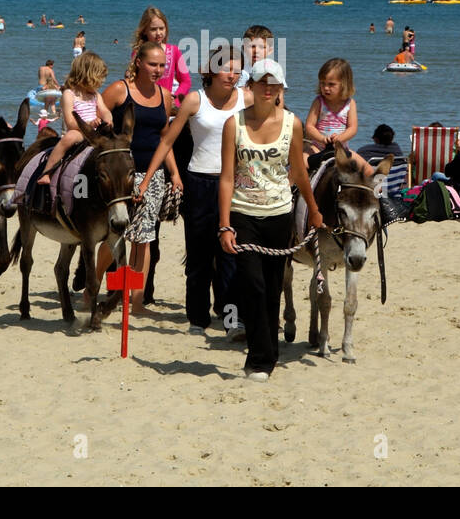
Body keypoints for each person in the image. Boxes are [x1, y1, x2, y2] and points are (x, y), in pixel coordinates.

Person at [219, 60, 323, 381]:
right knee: (253, 285)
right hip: (243, 215)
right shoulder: (233, 125)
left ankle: (265, 355)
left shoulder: (293, 124)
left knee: (273, 287)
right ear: (250, 86)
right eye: (262, 83)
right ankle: (261, 359)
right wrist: (224, 224)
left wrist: (315, 210)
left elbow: (299, 171)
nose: (268, 89)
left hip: (279, 215)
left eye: (274, 84)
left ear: (281, 89)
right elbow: (226, 177)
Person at [139, 44, 245, 334]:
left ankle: (231, 319)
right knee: (198, 256)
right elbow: (166, 141)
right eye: (226, 68)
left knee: (230, 255)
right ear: (211, 69)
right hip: (199, 184)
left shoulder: (246, 100)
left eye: (237, 69)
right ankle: (197, 319)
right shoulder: (195, 100)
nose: (232, 75)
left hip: (235, 185)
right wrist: (148, 179)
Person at [95, 41, 179, 318]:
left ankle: (137, 302)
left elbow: (164, 139)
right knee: (114, 236)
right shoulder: (121, 89)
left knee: (143, 239)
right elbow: (98, 115)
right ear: (139, 63)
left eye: (162, 65)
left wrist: (175, 173)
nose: (157, 70)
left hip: (152, 175)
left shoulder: (165, 96)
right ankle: (92, 287)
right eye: (152, 64)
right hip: (121, 177)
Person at [37, 52, 109, 187]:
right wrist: (88, 124)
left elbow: (104, 110)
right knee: (69, 137)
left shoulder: (95, 95)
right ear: (87, 75)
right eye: (99, 79)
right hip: (79, 131)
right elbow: (70, 122)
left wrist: (108, 119)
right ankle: (47, 171)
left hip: (95, 131)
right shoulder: (69, 94)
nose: (100, 83)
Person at [131, 7, 191, 104]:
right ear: (144, 30)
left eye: (161, 28)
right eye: (153, 29)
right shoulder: (138, 52)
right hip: (144, 101)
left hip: (167, 103)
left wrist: (175, 98)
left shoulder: (174, 51)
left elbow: (186, 81)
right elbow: (133, 79)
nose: (158, 33)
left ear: (166, 28)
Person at [238, 25, 274, 90]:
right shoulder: (239, 70)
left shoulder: (274, 70)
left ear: (270, 50)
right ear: (244, 48)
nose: (256, 51)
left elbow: (280, 95)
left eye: (262, 47)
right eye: (252, 46)